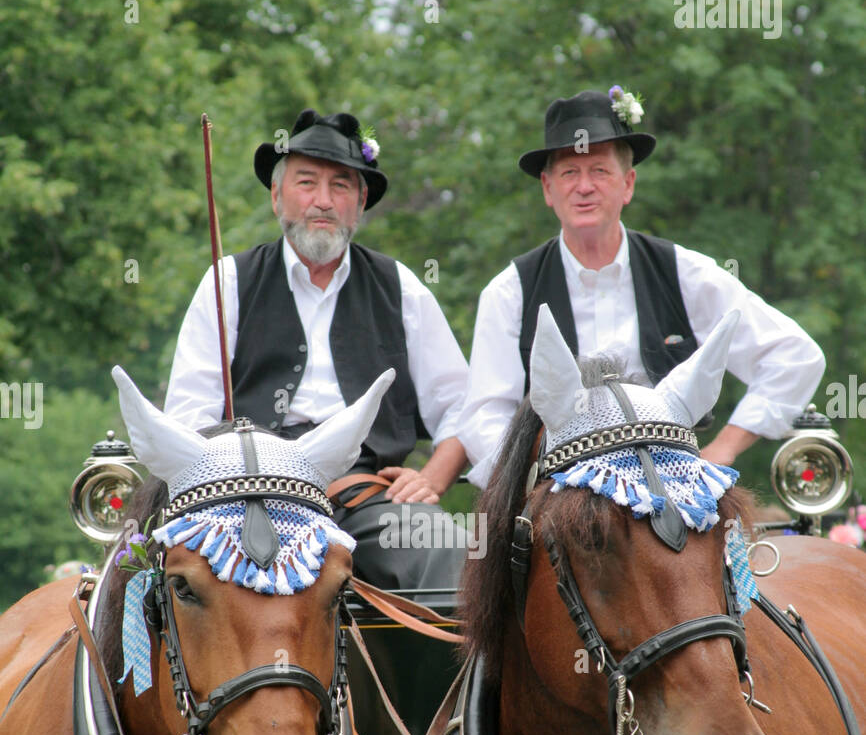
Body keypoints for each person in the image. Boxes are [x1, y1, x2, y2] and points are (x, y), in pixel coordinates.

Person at [457, 87, 825, 488]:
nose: (584, 186)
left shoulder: (684, 272)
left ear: (628, 184)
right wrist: (536, 481)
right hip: (555, 492)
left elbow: (794, 356)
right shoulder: (510, 292)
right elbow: (484, 416)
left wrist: (722, 451)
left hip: (672, 488)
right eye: (569, 173)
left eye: (599, 170)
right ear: (548, 188)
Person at [165, 107, 469, 590]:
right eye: (307, 183)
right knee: (179, 590)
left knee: (455, 563)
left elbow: (463, 410)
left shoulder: (402, 287)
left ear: (361, 201)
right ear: (276, 196)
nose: (323, 201)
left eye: (341, 186)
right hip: (252, 497)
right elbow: (188, 417)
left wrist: (432, 476)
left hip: (366, 497)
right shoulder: (228, 282)